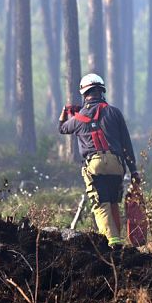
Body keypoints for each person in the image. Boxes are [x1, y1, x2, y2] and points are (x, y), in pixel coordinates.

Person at [59, 73, 139, 247]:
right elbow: (126, 143)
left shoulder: (77, 119)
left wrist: (66, 112)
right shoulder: (114, 112)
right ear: (101, 91)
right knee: (113, 202)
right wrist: (134, 170)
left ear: (84, 93)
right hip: (117, 165)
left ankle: (112, 243)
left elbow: (62, 128)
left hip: (94, 165)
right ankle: (120, 241)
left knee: (101, 204)